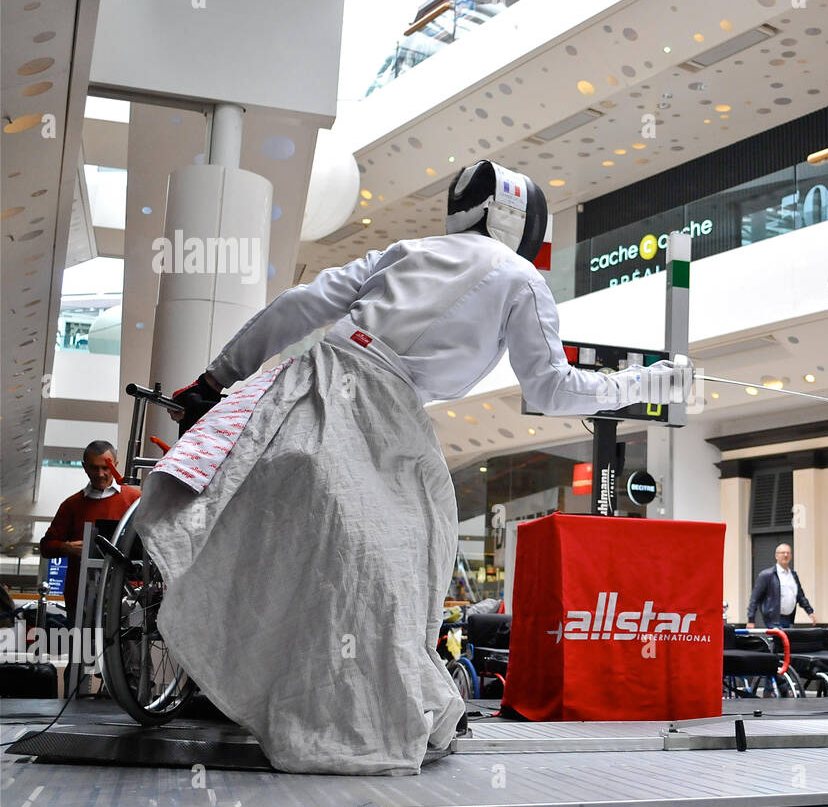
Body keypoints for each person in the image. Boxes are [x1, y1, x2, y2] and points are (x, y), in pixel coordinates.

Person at [137, 160, 694, 775]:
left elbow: (301, 303)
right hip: (378, 407)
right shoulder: (518, 276)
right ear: (518, 220)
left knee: (313, 539)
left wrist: (218, 374)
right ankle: (345, 701)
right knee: (411, 552)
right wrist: (646, 382)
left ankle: (253, 675)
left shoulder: (406, 250)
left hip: (308, 380)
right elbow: (555, 388)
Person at [39, 442, 141, 627]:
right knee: (82, 651)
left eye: (105, 467)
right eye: (94, 467)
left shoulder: (134, 500)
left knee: (127, 651)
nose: (100, 474)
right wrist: (66, 547)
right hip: (80, 597)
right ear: (84, 466)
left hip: (127, 595)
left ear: (115, 465)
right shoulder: (71, 505)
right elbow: (46, 546)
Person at [747, 544, 818, 629]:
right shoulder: (767, 575)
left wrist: (810, 611)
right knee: (780, 640)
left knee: (786, 641)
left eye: (788, 553)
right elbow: (755, 598)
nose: (786, 555)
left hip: (789, 619)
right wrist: (751, 619)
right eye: (783, 553)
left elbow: (800, 596)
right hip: (773, 620)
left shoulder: (793, 575)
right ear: (776, 556)